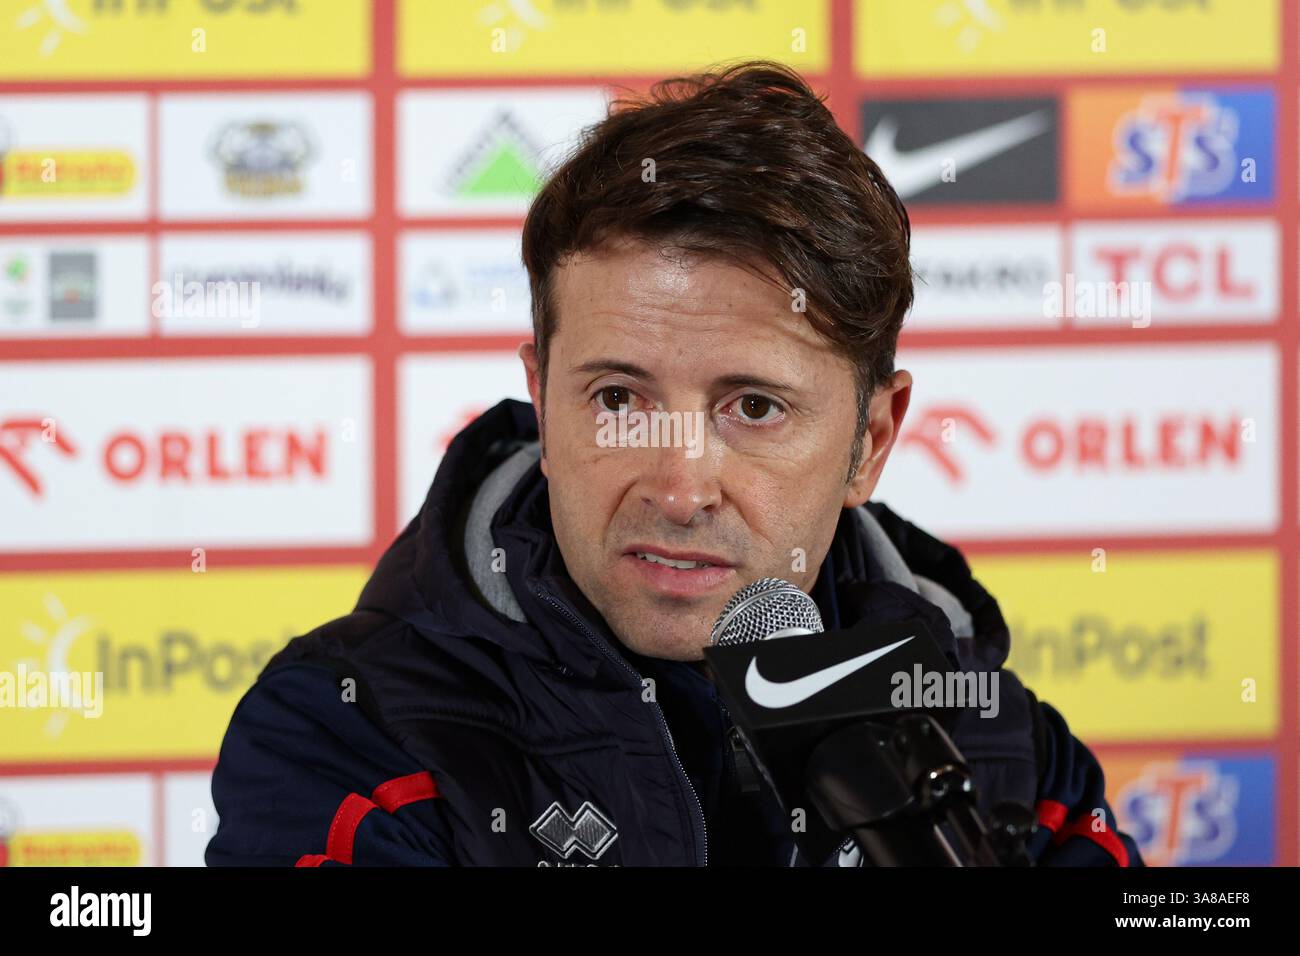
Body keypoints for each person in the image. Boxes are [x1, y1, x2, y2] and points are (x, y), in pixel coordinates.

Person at [206, 60, 1142, 867]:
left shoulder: (1005, 748)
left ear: (871, 442)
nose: (682, 488)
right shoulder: (347, 732)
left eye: (756, 408)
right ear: (543, 400)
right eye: (619, 399)